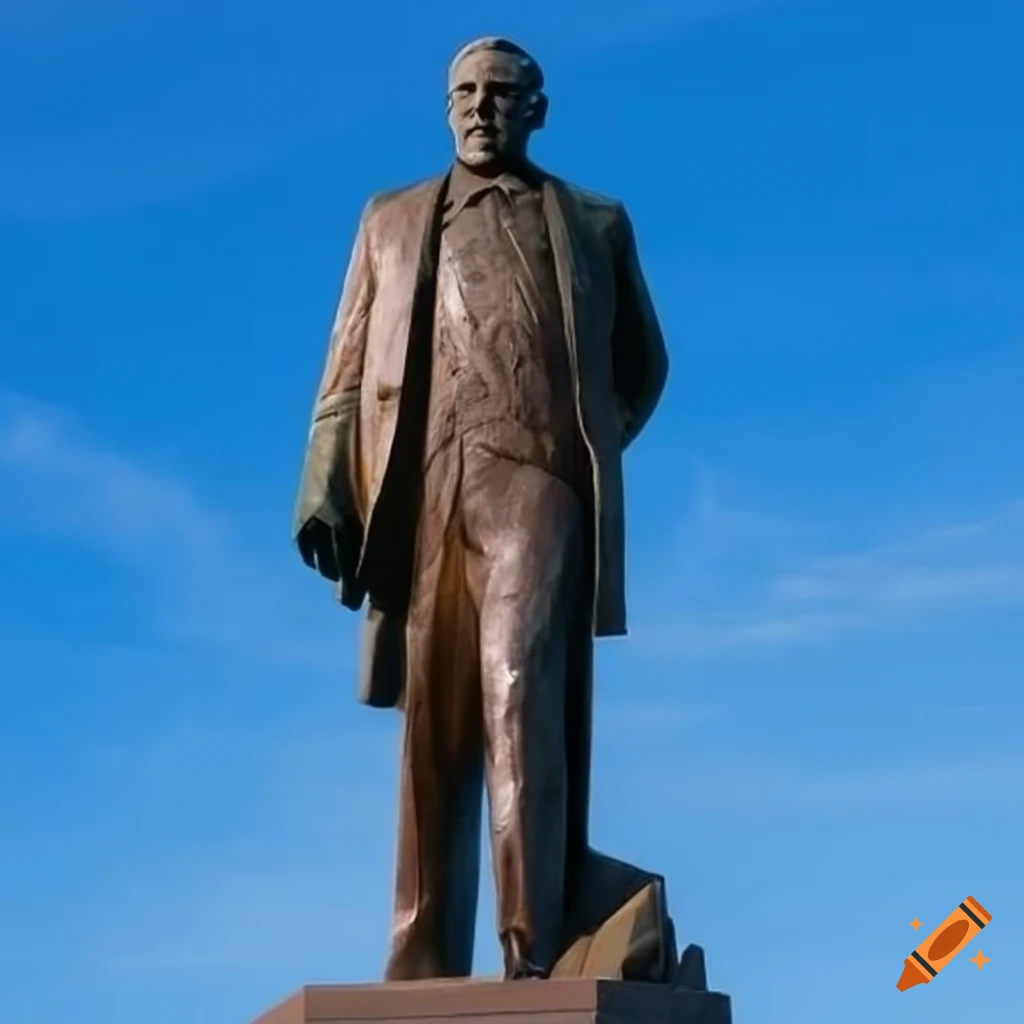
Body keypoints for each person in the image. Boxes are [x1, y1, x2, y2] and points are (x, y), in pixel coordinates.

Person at [293, 36, 668, 981]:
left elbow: (643, 365)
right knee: (436, 725)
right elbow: (344, 373)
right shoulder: (390, 220)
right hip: (421, 490)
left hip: (536, 483)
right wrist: (324, 489)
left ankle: (531, 950)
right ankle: (419, 959)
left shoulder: (590, 220)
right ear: (444, 104)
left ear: (537, 109)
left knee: (518, 692)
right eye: (465, 91)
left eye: (502, 93)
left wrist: (580, 445)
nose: (481, 108)